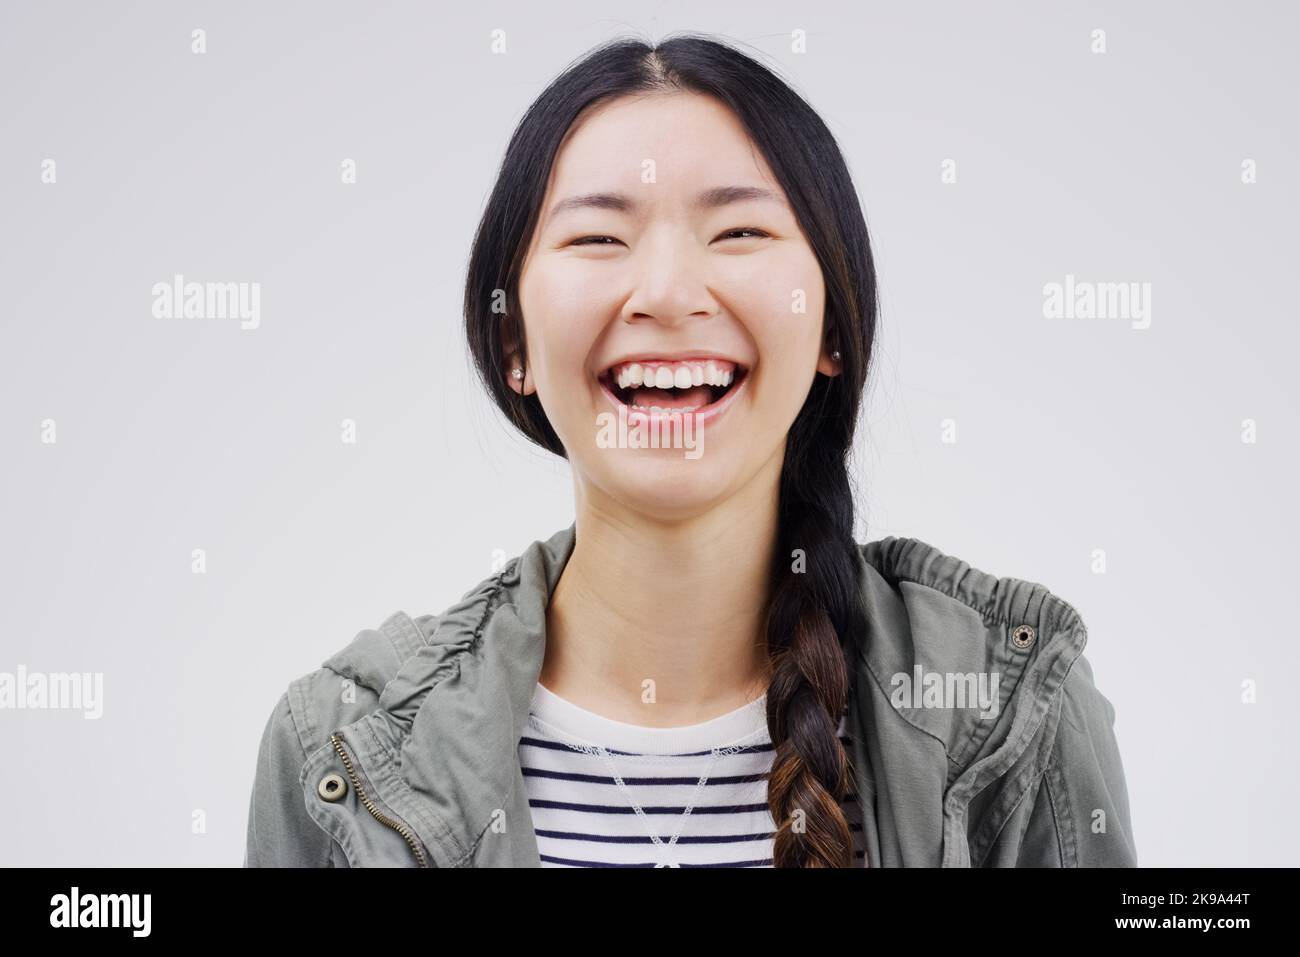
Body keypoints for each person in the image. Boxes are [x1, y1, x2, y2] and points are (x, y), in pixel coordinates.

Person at [244, 33, 1136, 868]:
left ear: (832, 324)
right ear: (511, 340)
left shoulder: (1009, 706)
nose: (668, 293)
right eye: (598, 237)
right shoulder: (340, 750)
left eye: (739, 231)